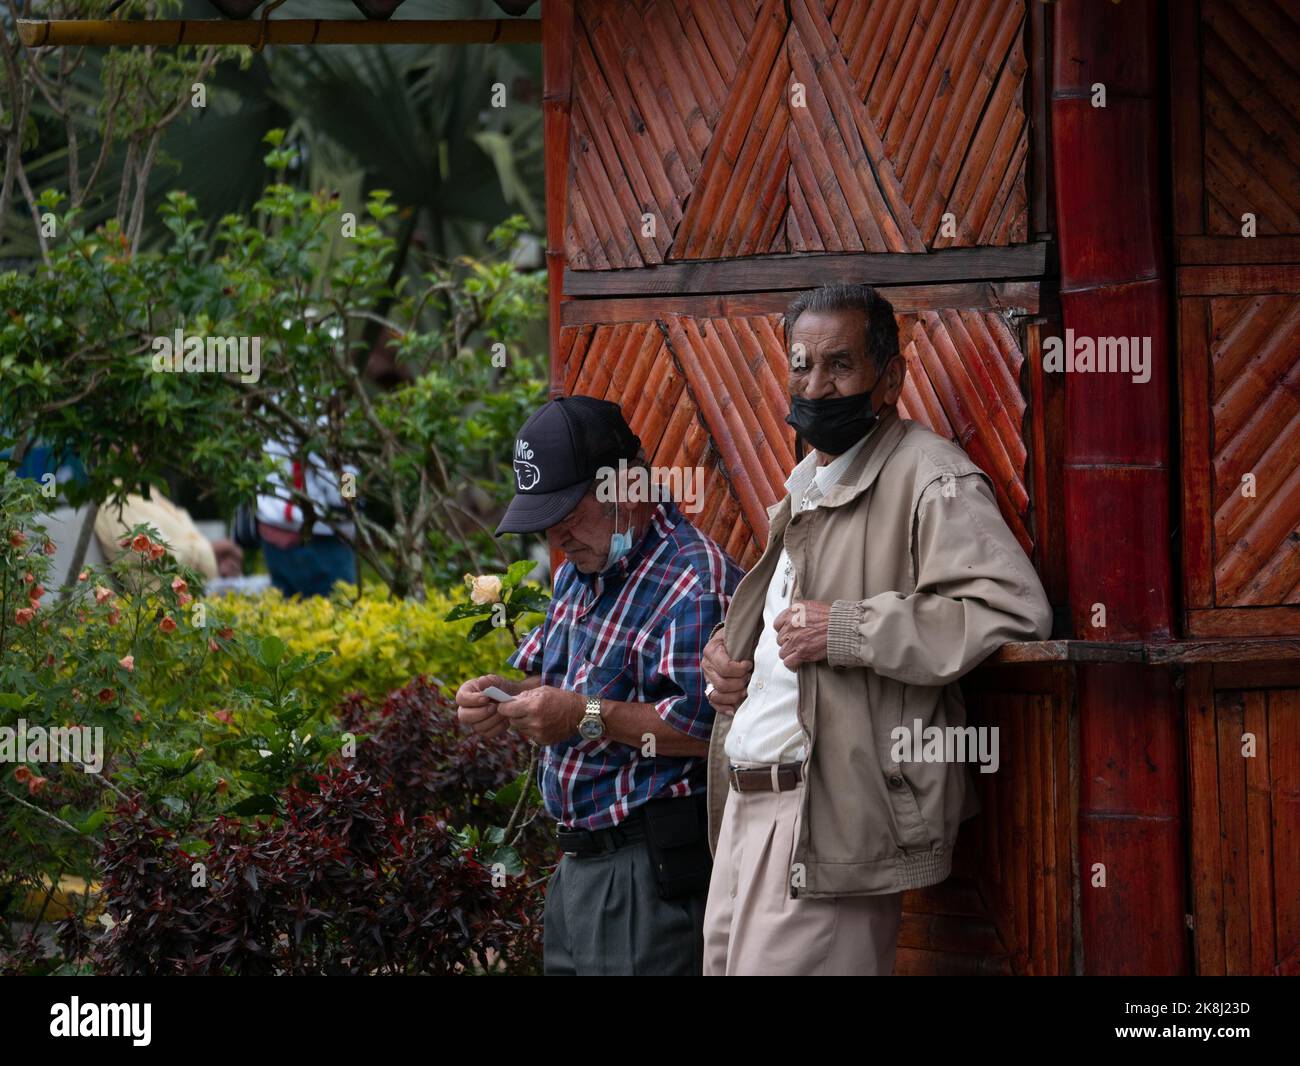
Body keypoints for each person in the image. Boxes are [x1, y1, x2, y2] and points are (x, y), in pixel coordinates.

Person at [700, 283, 1053, 976]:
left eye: (840, 365)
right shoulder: (805, 483)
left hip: (828, 814)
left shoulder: (931, 476)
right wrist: (730, 659)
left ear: (889, 380)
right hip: (745, 809)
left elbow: (1012, 607)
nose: (816, 385)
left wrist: (850, 631)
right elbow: (784, 644)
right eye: (802, 364)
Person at [455, 395, 742, 975]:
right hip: (574, 868)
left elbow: (710, 729)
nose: (562, 541)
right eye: (550, 528)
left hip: (644, 871)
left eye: (570, 520)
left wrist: (582, 716)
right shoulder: (578, 572)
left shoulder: (691, 579)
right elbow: (554, 680)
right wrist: (503, 694)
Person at [253, 438, 357, 598]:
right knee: (338, 610)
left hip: (282, 533)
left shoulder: (264, 415)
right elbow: (346, 473)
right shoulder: (333, 419)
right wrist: (347, 509)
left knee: (286, 612)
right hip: (323, 537)